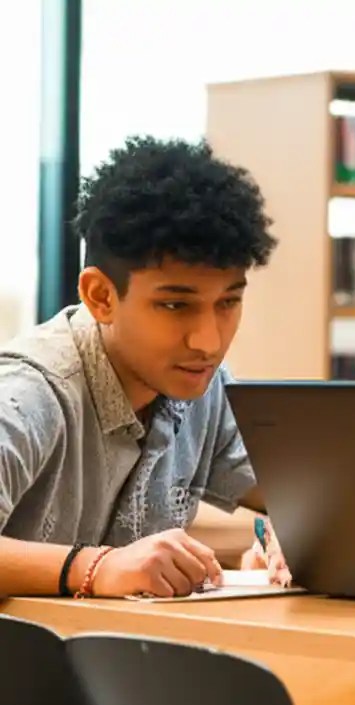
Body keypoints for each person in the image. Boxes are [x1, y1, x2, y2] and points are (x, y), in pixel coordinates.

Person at [0, 135, 278, 599]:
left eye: (228, 302)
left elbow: (317, 501)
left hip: (116, 666)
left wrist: (305, 537)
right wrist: (95, 568)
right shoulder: (27, 395)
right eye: (174, 305)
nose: (208, 342)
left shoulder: (204, 390)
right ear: (101, 297)